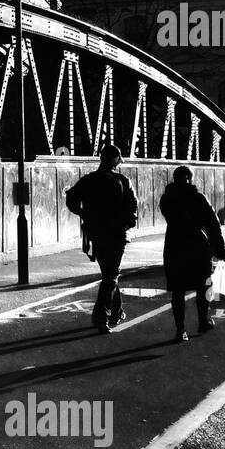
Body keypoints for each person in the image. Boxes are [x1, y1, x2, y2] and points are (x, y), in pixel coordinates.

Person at [66, 143, 138, 334]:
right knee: (111, 275)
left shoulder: (88, 180)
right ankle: (100, 315)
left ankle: (116, 312)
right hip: (116, 234)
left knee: (109, 273)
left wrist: (83, 214)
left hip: (96, 233)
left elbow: (71, 198)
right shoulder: (122, 180)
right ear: (115, 160)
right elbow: (133, 207)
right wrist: (126, 223)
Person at [159, 166, 225, 343]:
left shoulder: (167, 199)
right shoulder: (198, 197)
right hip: (198, 244)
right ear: (189, 177)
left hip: (175, 245)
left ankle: (180, 329)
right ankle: (203, 321)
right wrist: (219, 247)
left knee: (178, 289)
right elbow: (213, 224)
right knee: (203, 285)